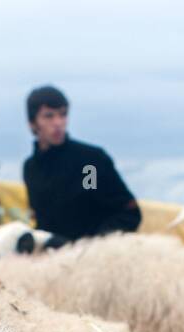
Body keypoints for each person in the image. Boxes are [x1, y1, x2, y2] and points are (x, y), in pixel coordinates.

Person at [21, 85, 141, 244]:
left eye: (63, 115)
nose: (58, 122)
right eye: (49, 116)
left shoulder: (88, 163)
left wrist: (94, 245)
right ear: (32, 123)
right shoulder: (31, 168)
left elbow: (128, 213)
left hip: (92, 258)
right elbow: (42, 221)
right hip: (50, 260)